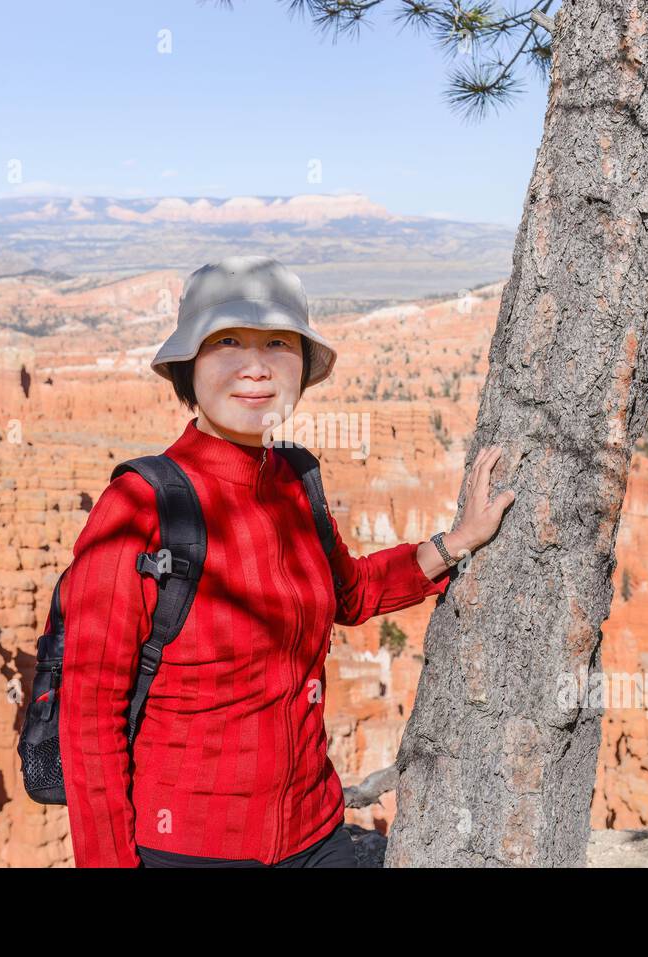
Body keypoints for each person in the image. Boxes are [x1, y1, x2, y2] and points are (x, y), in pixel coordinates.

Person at [58, 255, 515, 868]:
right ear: (187, 370)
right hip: (187, 847)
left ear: (302, 365)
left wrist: (456, 542)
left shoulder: (297, 479)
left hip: (316, 834)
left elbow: (349, 592)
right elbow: (90, 713)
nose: (255, 367)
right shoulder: (139, 504)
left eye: (277, 343)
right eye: (226, 343)